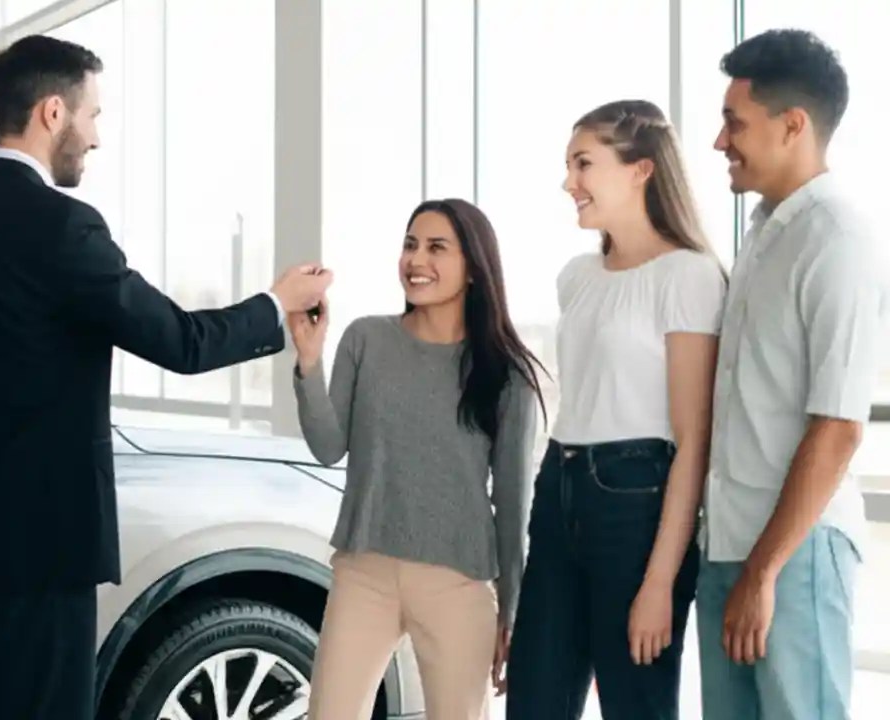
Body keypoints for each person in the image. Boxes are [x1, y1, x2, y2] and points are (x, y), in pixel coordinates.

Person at [0, 34, 332, 719]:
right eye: (93, 115)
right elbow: (180, 341)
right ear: (52, 113)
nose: (95, 136)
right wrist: (276, 305)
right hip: (44, 557)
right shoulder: (64, 227)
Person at [504, 100, 726, 720]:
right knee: (534, 702)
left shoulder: (688, 275)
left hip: (636, 504)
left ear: (640, 170)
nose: (568, 183)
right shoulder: (576, 276)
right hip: (558, 489)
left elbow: (692, 438)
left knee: (636, 707)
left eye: (583, 163)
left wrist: (659, 583)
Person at [289, 198, 544, 719]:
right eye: (410, 245)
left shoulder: (507, 373)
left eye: (436, 248)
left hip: (460, 583)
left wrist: (513, 613)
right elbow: (327, 445)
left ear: (473, 268)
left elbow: (515, 502)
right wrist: (309, 361)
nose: (416, 260)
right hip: (365, 571)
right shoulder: (366, 338)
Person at [698, 29, 888, 720]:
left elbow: (838, 427)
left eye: (734, 123)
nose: (721, 142)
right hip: (730, 544)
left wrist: (765, 570)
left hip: (792, 556)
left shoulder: (836, 238)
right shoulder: (765, 232)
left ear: (793, 125)